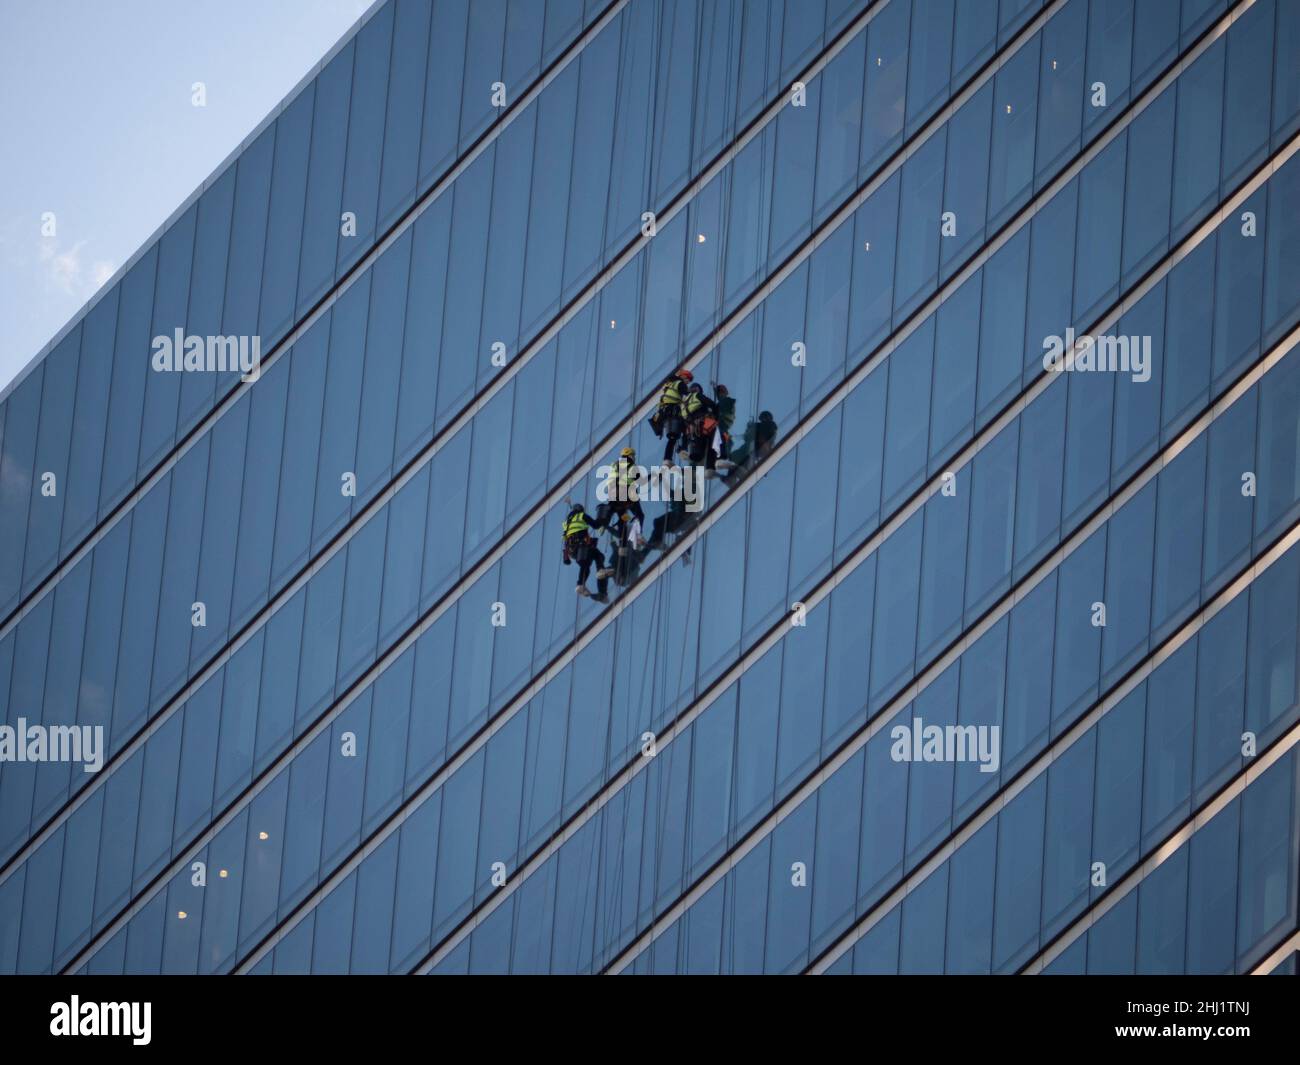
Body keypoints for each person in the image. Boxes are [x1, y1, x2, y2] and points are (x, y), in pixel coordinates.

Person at [561, 504, 613, 601]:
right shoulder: (581, 515)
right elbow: (595, 525)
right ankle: (600, 570)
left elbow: (565, 539)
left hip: (572, 551)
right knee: (598, 556)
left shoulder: (566, 524)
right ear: (580, 510)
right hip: (582, 545)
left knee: (585, 566)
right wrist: (603, 518)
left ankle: (580, 584)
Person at [650, 369, 693, 464]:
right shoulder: (680, 383)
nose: (688, 382)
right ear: (683, 377)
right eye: (688, 379)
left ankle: (667, 458)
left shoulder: (669, 385)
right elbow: (689, 396)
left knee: (673, 437)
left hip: (665, 413)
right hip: (673, 411)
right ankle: (682, 449)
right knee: (686, 429)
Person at [604, 446, 646, 535]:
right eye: (633, 455)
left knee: (623, 516)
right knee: (640, 515)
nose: (634, 457)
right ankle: (638, 534)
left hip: (614, 496)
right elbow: (640, 480)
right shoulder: (630, 464)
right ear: (629, 455)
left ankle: (619, 533)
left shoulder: (614, 465)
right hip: (626, 494)